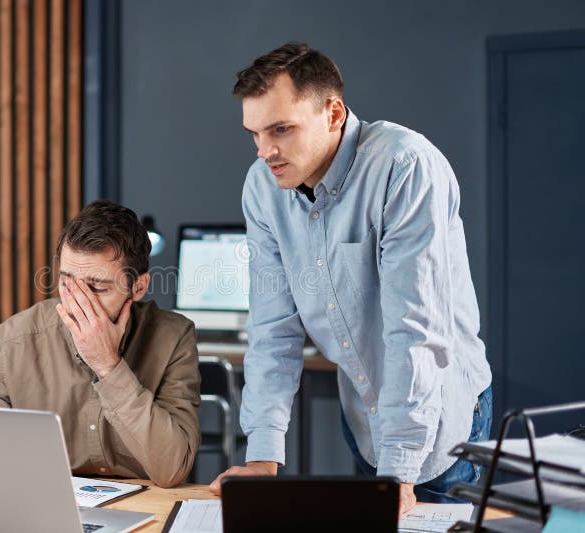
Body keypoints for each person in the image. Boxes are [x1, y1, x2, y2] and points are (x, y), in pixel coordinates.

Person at [209, 42, 492, 514]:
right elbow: (272, 329)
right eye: (254, 134)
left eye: (281, 129)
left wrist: (397, 472)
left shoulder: (404, 167)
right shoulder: (263, 187)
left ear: (334, 113)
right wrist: (262, 456)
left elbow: (413, 331)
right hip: (366, 417)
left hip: (442, 423)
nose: (265, 151)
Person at [0, 200, 201, 488]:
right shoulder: (6, 344)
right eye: (67, 283)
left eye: (97, 288)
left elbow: (172, 469)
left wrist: (109, 368)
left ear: (138, 287)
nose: (77, 303)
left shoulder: (174, 338)